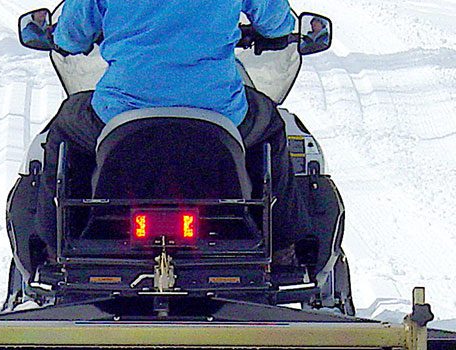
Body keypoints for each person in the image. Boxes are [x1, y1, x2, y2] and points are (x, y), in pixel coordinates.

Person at [42, 0, 309, 257]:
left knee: (66, 129)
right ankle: (280, 243)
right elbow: (277, 24)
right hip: (216, 108)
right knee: (270, 127)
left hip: (122, 109)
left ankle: (57, 243)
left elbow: (70, 37)